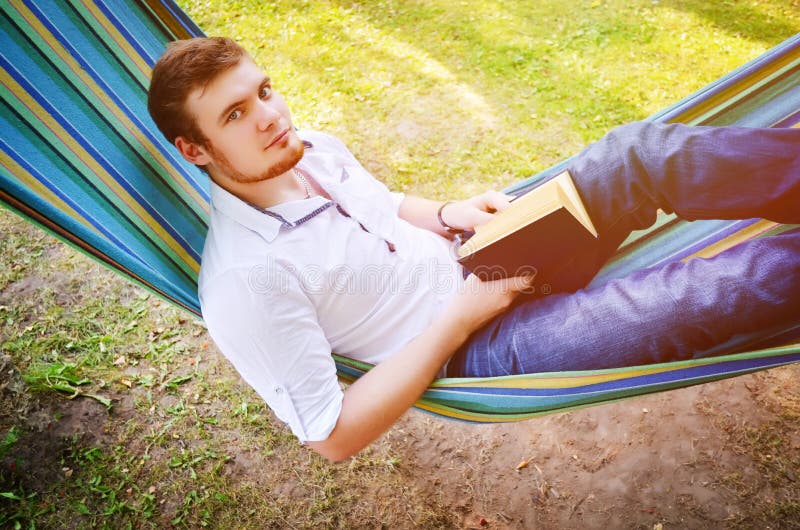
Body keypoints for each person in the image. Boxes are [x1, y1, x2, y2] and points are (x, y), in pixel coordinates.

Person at [147, 37, 800, 462]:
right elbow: (332, 436)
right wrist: (460, 319)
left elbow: (383, 206)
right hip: (475, 350)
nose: (269, 116)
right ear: (194, 149)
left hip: (488, 256)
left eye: (263, 91)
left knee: (637, 154)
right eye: (235, 114)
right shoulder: (244, 283)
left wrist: (447, 213)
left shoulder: (308, 148)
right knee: (699, 294)